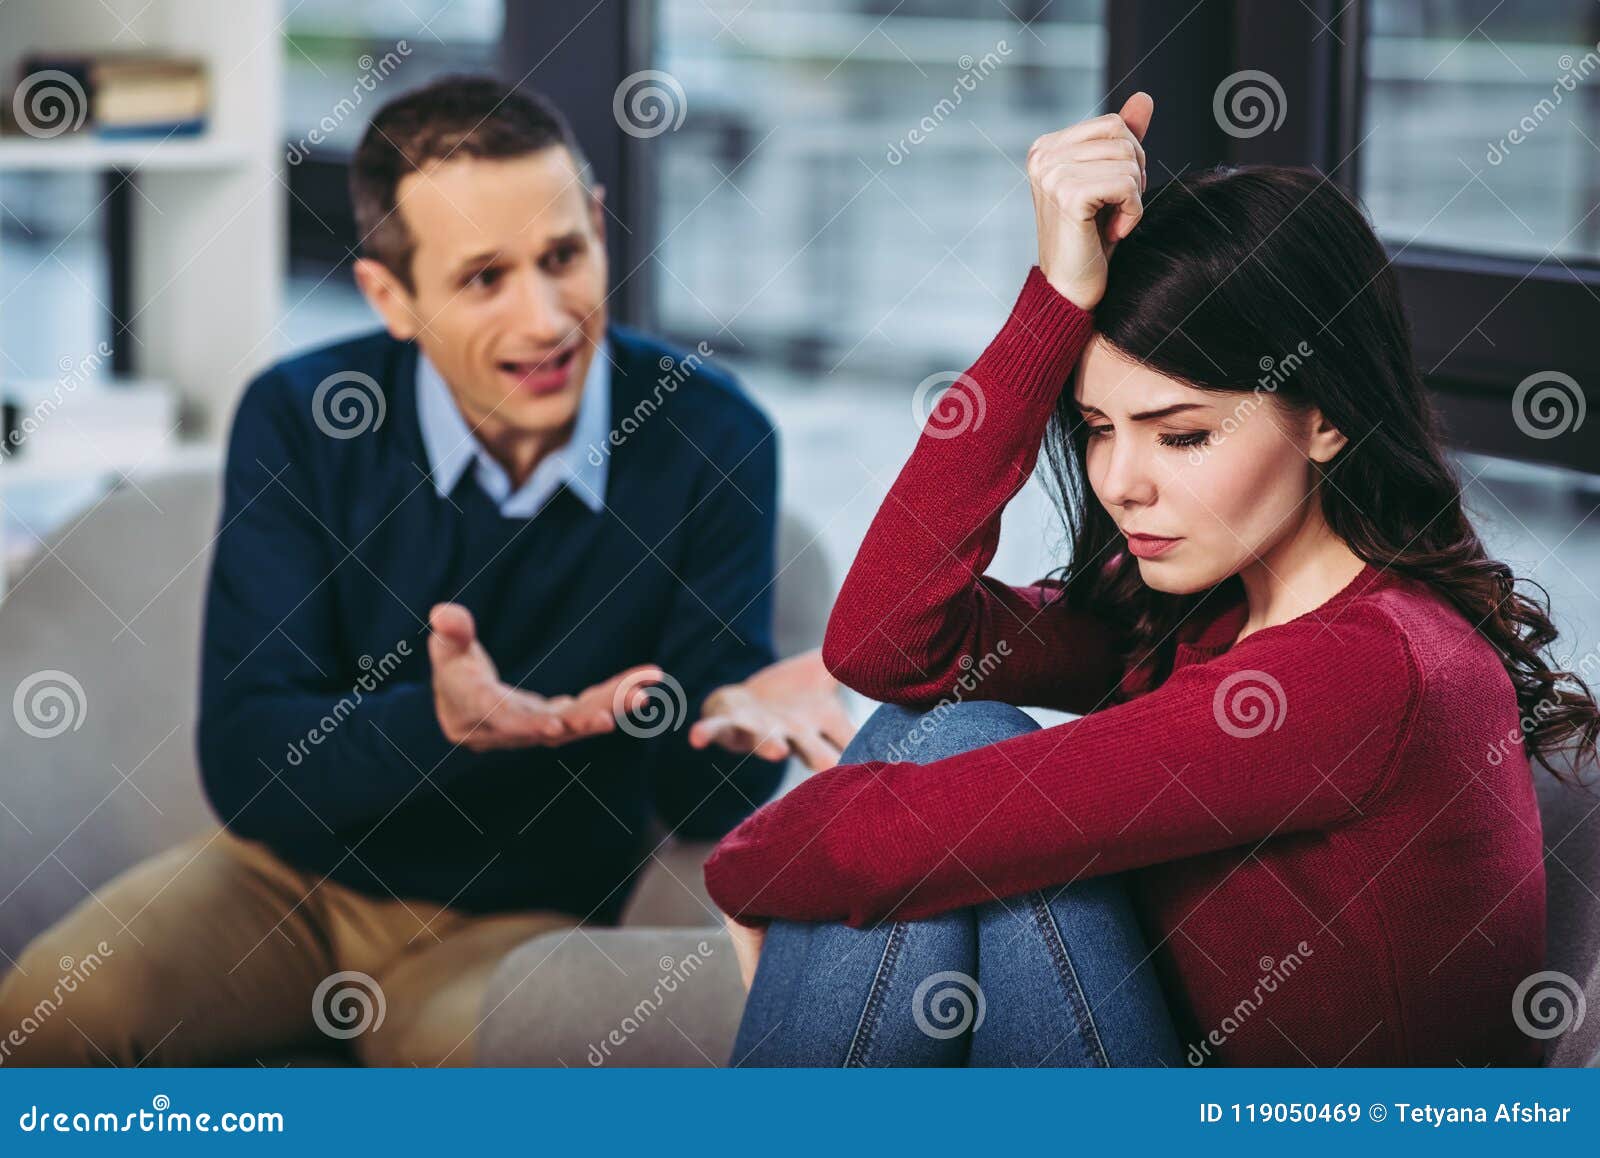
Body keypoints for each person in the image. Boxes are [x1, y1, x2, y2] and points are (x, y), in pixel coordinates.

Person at [705, 92, 1600, 1067]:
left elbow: (890, 836)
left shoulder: (1370, 667)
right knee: (943, 733)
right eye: (1098, 429)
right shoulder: (1204, 616)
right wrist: (1051, 302)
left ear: (1326, 418)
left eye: (1181, 435)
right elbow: (888, 645)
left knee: (956, 786)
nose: (1121, 483)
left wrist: (746, 872)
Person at [0, 76, 851, 1067]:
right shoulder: (303, 418)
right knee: (54, 1011)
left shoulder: (711, 436)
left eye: (563, 256)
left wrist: (736, 731)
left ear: (598, 225)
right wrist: (439, 727)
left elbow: (700, 804)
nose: (546, 320)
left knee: (484, 1072)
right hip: (286, 885)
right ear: (389, 298)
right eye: (485, 278)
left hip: (523, 922)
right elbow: (246, 763)